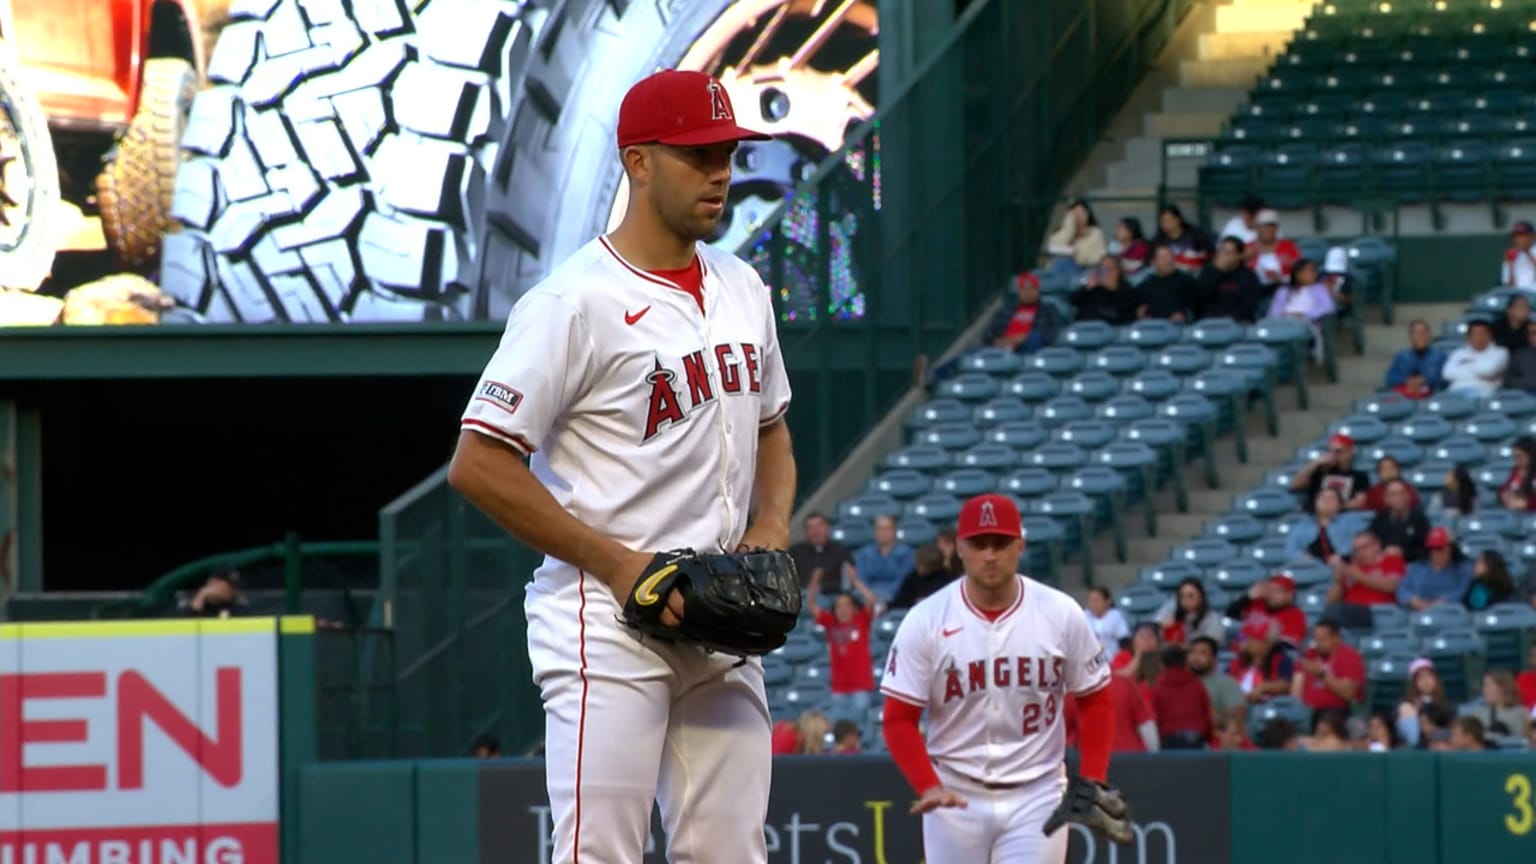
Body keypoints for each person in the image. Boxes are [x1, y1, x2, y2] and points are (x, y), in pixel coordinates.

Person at [446, 69, 795, 864]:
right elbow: (479, 462)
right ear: (638, 163)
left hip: (717, 613)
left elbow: (773, 429)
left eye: (729, 153)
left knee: (730, 853)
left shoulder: (743, 287)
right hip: (605, 620)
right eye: (698, 155)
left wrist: (770, 527)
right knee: (598, 855)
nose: (721, 173)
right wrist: (618, 563)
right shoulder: (573, 303)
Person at [880, 494, 1120, 863]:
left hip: (1037, 792)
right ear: (959, 548)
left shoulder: (1059, 613)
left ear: (1020, 546)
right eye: (979, 544)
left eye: (1000, 543)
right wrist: (927, 784)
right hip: (954, 790)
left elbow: (1096, 700)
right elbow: (898, 719)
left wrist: (1092, 778)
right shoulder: (925, 620)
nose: (990, 554)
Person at [807, 575, 882, 724]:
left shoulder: (861, 620)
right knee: (839, 727)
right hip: (839, 688)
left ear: (854, 608)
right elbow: (811, 605)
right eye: (839, 606)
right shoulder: (830, 623)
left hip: (861, 686)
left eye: (847, 605)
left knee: (860, 727)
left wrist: (856, 582)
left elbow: (871, 600)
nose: (843, 610)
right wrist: (814, 585)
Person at [1265, 259, 1335, 363]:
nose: (1313, 274)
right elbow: (1274, 311)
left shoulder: (1319, 289)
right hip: (1283, 322)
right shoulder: (1283, 291)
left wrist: (1303, 315)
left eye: (1314, 271)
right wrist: (1282, 317)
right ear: (1297, 274)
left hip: (1307, 322)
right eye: (1309, 271)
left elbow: (1328, 307)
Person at [1290, 619, 1365, 715]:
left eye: (1323, 639)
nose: (1318, 644)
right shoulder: (1309, 654)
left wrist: (1321, 674)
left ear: (1336, 638)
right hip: (1308, 711)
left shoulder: (1350, 656)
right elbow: (1296, 692)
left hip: (1337, 711)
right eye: (1316, 639)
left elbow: (1348, 693)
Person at [983, 272, 1060, 355]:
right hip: (1003, 347)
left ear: (1038, 290)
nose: (1028, 293)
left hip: (1030, 349)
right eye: (1023, 289)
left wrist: (1023, 338)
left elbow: (1052, 334)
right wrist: (997, 340)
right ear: (1018, 292)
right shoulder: (1007, 310)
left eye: (1032, 288)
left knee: (1034, 338)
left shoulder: (1048, 309)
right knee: (972, 352)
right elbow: (989, 332)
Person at [1152, 644, 1213, 749]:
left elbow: (1156, 716)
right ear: (1184, 662)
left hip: (1169, 738)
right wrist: (1209, 737)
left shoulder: (1159, 687)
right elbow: (1206, 713)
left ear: (1162, 664)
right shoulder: (1196, 683)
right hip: (1196, 737)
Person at [1290, 433, 1370, 512]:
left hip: (1343, 517)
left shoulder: (1360, 476)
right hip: (1314, 517)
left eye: (1338, 451)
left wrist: (1330, 508)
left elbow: (1360, 502)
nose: (1333, 455)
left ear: (1349, 452)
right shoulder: (1319, 472)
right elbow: (1296, 485)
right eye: (1330, 451)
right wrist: (1315, 463)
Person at [1397, 528, 1473, 610]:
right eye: (1431, 548)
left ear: (1451, 548)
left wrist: (1442, 602)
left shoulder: (1463, 569)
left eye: (1439, 548)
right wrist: (1413, 600)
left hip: (1449, 615)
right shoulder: (1416, 567)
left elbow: (1464, 591)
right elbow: (1403, 589)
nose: (1435, 553)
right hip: (1416, 615)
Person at [1195, 236, 1264, 323]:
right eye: (1222, 251)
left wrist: (1229, 319)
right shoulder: (1208, 271)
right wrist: (1217, 271)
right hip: (1210, 322)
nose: (1224, 255)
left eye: (1229, 253)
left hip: (1237, 322)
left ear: (1239, 255)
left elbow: (1250, 304)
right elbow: (1202, 296)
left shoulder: (1249, 276)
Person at [1284, 487, 1360, 563]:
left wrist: (1343, 556)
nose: (1326, 501)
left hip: (1345, 565)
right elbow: (1291, 548)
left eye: (1331, 498)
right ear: (1315, 502)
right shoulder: (1304, 525)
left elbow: (1361, 542)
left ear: (1339, 505)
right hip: (1313, 568)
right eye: (1322, 497)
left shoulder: (1351, 521)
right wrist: (1303, 557)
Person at [1366, 479, 1431, 563]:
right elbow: (1369, 542)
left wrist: (1403, 552)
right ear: (1386, 499)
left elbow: (1428, 550)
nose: (1398, 497)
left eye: (1402, 493)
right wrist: (1383, 551)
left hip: (1412, 566)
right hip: (1384, 565)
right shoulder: (1379, 519)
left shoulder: (1420, 519)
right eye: (1393, 494)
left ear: (1408, 496)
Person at [1442, 319, 1509, 398]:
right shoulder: (1458, 353)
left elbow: (1488, 371)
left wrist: (1464, 366)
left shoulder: (1501, 352)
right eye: (1475, 334)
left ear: (1490, 336)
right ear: (1468, 337)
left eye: (1483, 334)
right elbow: (1447, 374)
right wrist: (1480, 374)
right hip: (1456, 391)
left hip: (1484, 393)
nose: (1479, 337)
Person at [789, 512, 853, 593]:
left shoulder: (840, 551)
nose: (816, 531)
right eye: (811, 528)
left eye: (820, 526)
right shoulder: (796, 552)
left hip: (832, 595)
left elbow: (847, 579)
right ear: (806, 532)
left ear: (828, 527)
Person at [1153, 576, 1227, 645]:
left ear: (1201, 597)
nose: (1186, 600)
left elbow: (1212, 643)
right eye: (1182, 596)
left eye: (1190, 596)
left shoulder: (1212, 618)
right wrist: (1162, 626)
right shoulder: (1173, 608)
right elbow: (1155, 623)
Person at [1383, 319, 1447, 398]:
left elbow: (1445, 380)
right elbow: (1389, 378)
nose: (1420, 336)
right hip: (1405, 397)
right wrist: (1407, 380)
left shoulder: (1440, 356)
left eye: (1423, 333)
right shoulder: (1401, 356)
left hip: (1431, 397)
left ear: (1429, 335)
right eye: (1416, 333)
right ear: (1410, 336)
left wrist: (1424, 380)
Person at [1046, 198, 1107, 278]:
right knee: (1060, 264)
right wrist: (1069, 228)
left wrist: (1077, 254)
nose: (1079, 216)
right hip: (1062, 269)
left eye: (1082, 213)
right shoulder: (1060, 232)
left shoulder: (1096, 233)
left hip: (1085, 269)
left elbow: (1099, 257)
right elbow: (1054, 247)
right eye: (1076, 213)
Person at [1135, 243, 1198, 321]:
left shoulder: (1187, 282)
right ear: (1153, 263)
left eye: (1170, 256)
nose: (1169, 260)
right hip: (1152, 328)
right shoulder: (1144, 287)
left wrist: (1185, 315)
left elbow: (1194, 309)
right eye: (1163, 257)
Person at [1070, 255, 1139, 325]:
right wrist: (1087, 287)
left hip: (1113, 328)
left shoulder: (1126, 290)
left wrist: (1113, 289)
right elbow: (1074, 300)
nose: (1106, 272)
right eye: (1102, 268)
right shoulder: (1092, 287)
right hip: (1087, 327)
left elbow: (1127, 311)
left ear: (1118, 271)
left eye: (1110, 268)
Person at [1461, 669, 1531, 739]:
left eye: (1488, 685)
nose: (1484, 690)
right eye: (1484, 686)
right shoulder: (1477, 713)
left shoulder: (1521, 713)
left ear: (1502, 688)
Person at [1397, 658, 1450, 747]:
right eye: (1421, 677)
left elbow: (1452, 732)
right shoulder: (1406, 705)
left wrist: (1434, 730)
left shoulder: (1446, 703)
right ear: (1414, 683)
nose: (1426, 681)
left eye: (1429, 676)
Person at [891, 542, 961, 609]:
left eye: (922, 565)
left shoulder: (947, 579)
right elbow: (899, 600)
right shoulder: (913, 577)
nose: (919, 567)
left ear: (932, 566)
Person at [1246, 209, 1301, 293]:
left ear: (1277, 228)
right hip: (1253, 292)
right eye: (1265, 226)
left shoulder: (1289, 246)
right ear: (1257, 227)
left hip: (1284, 290)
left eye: (1272, 226)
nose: (1269, 229)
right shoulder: (1247, 247)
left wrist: (1284, 279)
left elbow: (1300, 272)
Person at [1150, 204, 1213, 274]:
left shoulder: (1195, 234)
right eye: (1163, 221)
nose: (1165, 224)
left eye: (1169, 220)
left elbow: (1209, 254)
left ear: (1178, 220)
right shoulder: (1158, 239)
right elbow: (1150, 260)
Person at [1084, 586, 1132, 656]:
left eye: (1096, 600)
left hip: (1113, 658)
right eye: (1090, 601)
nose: (1092, 604)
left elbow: (1123, 638)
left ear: (1108, 601)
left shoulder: (1115, 615)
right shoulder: (1084, 616)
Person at [1498, 436, 1536, 512]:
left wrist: (1526, 504)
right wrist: (1504, 495)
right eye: (1514, 457)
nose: (1516, 461)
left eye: (1519, 457)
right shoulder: (1516, 471)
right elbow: (1505, 487)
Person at [1500, 220, 1536, 290]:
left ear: (1533, 236)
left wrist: (1528, 253)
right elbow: (1510, 285)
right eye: (1516, 236)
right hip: (1518, 293)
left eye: (1523, 235)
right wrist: (1510, 264)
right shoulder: (1512, 254)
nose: (1519, 239)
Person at [1504, 319, 1536, 391]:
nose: (1531, 337)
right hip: (1523, 395)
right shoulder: (1520, 354)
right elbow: (1508, 380)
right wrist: (1529, 383)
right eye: (1529, 333)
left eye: (1534, 333)